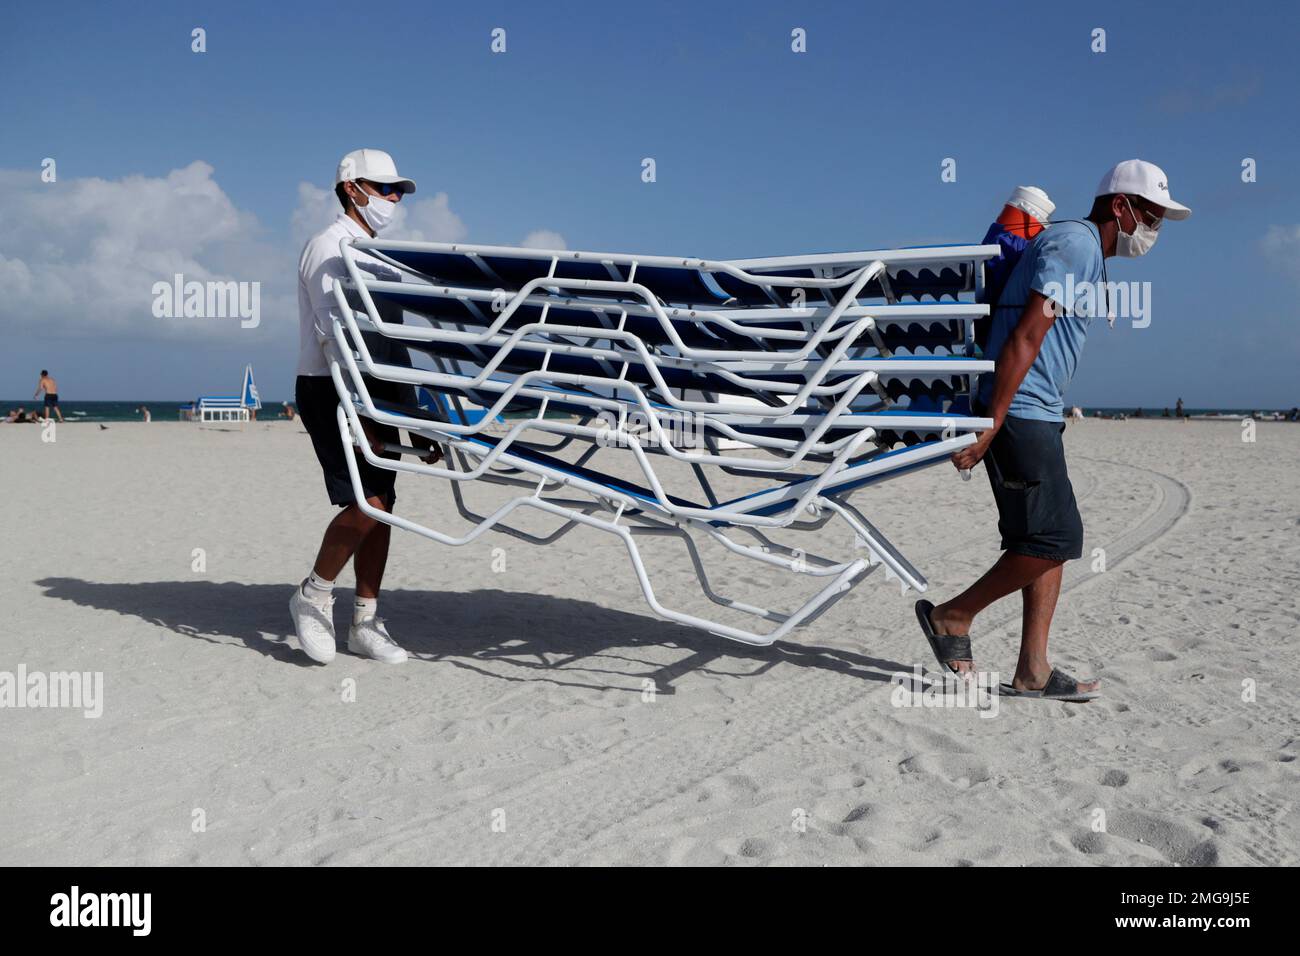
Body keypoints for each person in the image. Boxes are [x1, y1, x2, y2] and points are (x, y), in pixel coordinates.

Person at [915, 160, 1190, 701]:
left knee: (1040, 540)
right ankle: (953, 615)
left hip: (1035, 409)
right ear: (1121, 206)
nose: (1153, 231)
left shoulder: (1080, 247)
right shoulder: (1077, 246)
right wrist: (992, 424)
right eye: (1152, 217)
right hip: (1020, 410)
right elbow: (1026, 335)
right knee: (1058, 539)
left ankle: (1032, 670)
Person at [289, 148, 441, 665]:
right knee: (367, 504)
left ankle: (364, 621)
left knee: (384, 508)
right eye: (385, 189)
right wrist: (362, 415)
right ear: (351, 188)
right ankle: (312, 596)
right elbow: (335, 337)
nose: (395, 198)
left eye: (398, 191)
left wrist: (413, 416)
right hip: (332, 389)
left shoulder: (378, 256)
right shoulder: (327, 248)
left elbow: (391, 341)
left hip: (376, 387)